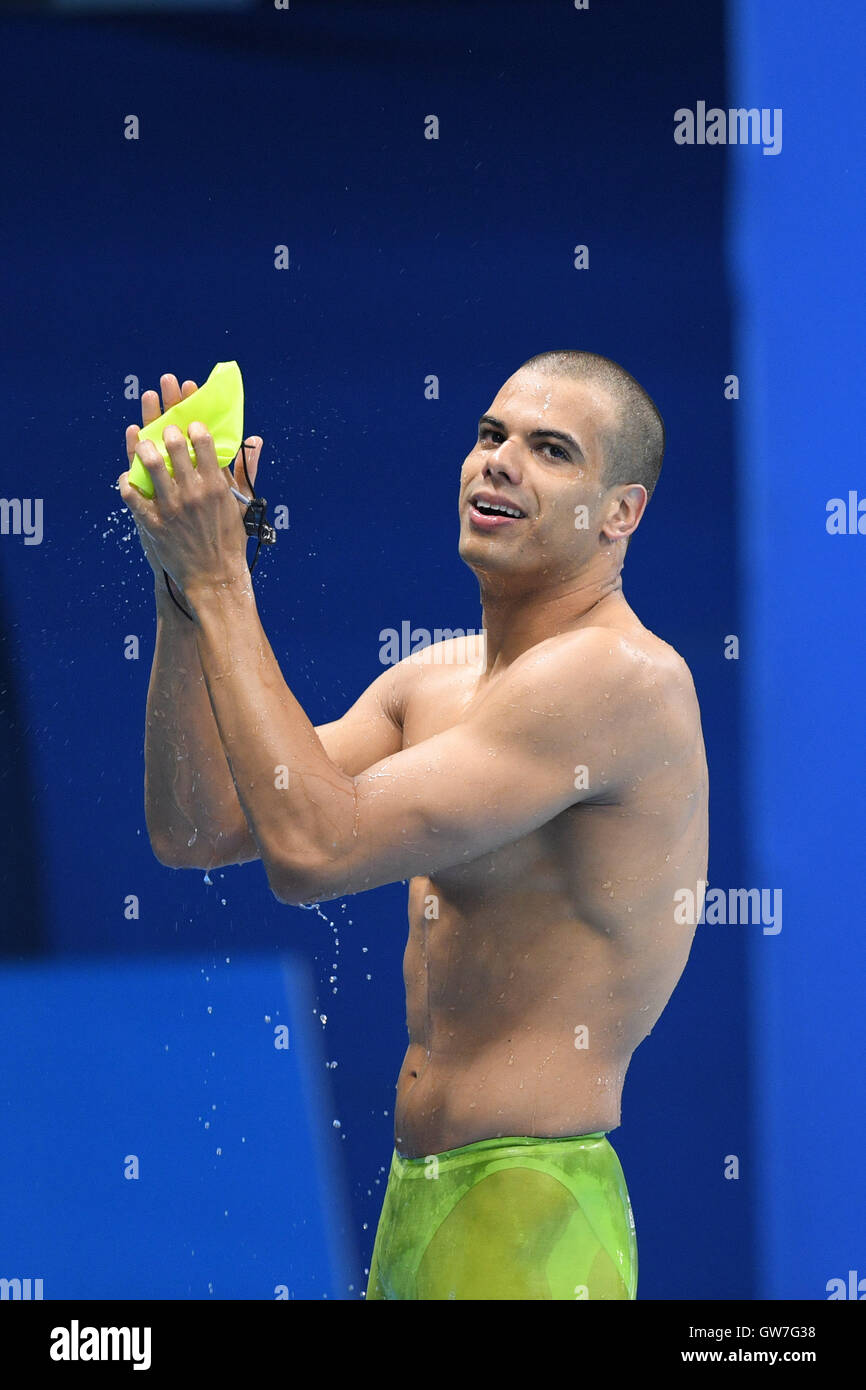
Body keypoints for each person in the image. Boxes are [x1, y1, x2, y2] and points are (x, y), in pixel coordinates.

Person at [118, 349, 708, 1300]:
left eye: (551, 449)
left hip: (531, 1212)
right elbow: (200, 824)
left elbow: (317, 851)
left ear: (621, 511)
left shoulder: (622, 681)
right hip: (420, 1201)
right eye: (490, 434)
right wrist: (182, 590)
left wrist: (226, 578)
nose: (500, 461)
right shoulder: (431, 682)